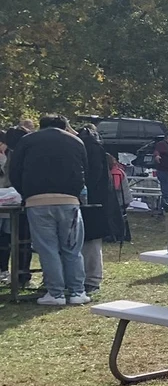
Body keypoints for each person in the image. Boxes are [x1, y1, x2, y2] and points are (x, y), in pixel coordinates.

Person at [9, 116, 88, 306]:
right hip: (69, 201)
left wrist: (26, 193)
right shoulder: (76, 141)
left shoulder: (27, 141)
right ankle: (78, 291)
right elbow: (85, 170)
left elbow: (14, 172)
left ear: (41, 126)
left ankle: (56, 293)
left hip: (37, 201)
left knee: (48, 248)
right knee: (72, 248)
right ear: (63, 126)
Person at [79, 124, 125, 296]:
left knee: (90, 243)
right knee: (90, 243)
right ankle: (90, 278)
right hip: (97, 202)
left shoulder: (91, 149)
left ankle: (91, 279)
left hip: (93, 203)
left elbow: (94, 177)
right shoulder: (98, 149)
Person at [152, 132, 168, 208]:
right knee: (166, 193)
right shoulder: (161, 144)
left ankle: (165, 208)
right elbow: (156, 151)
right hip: (164, 171)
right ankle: (165, 210)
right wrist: (157, 156)